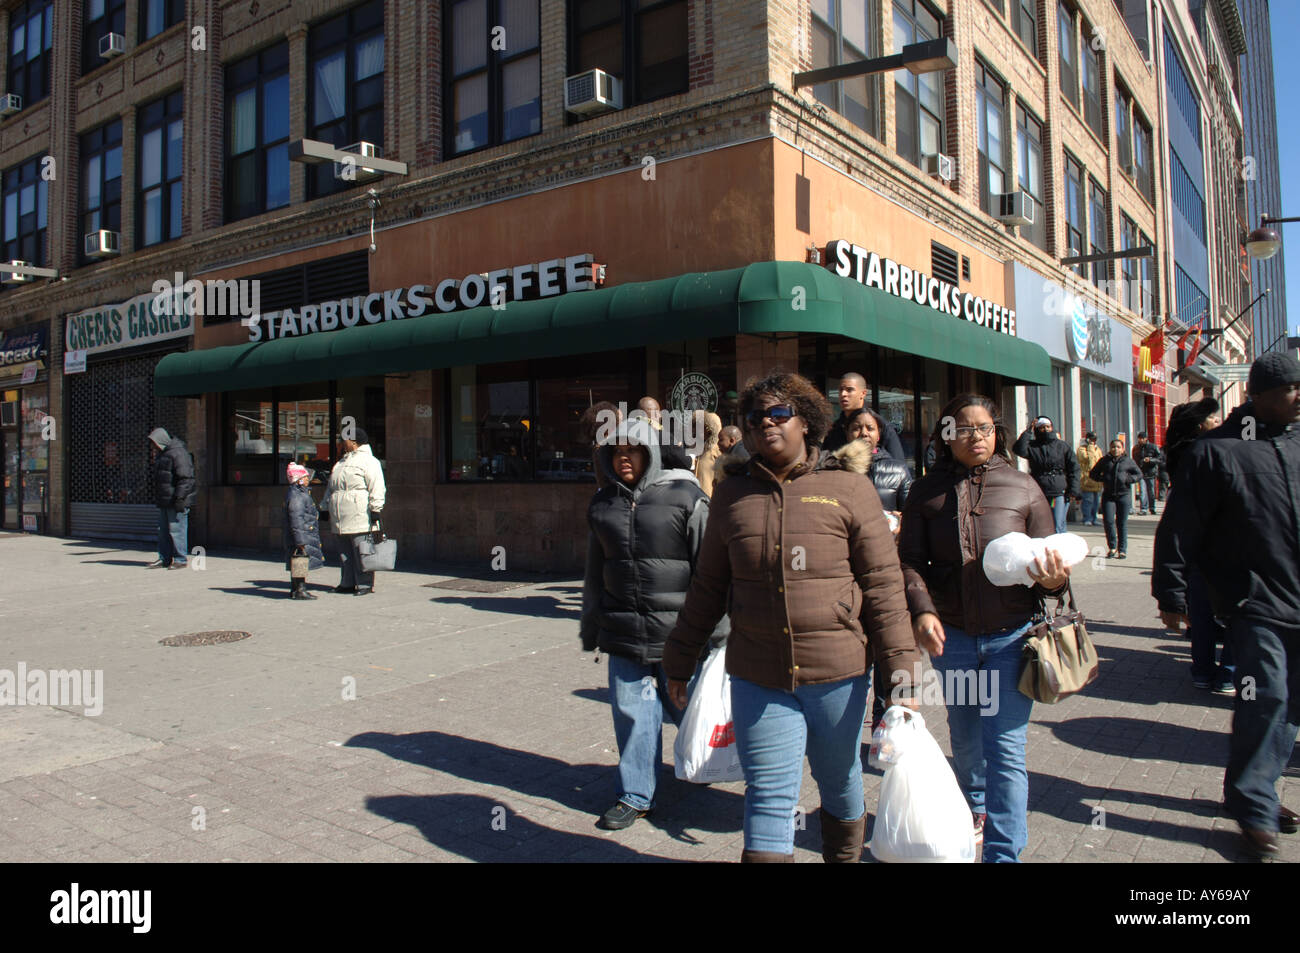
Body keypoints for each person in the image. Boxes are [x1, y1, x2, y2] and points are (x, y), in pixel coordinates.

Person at [662, 371, 920, 863]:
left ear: (808, 422)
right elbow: (708, 587)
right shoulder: (733, 494)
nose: (766, 424)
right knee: (768, 792)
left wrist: (902, 669)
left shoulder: (849, 488)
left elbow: (884, 585)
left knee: (839, 780)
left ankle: (842, 855)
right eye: (756, 417)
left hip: (838, 673)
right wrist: (679, 660)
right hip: (758, 673)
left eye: (779, 413)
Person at [900, 394, 1070, 863]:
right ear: (946, 435)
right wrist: (922, 609)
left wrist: (1055, 578)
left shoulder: (1023, 487)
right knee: (966, 736)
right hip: (951, 636)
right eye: (964, 428)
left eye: (986, 427)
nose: (976, 436)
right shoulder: (925, 491)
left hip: (1011, 637)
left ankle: (1003, 852)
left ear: (997, 433)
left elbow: (1052, 564)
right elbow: (909, 560)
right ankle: (974, 808)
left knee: (1007, 751)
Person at [1154, 352, 1300, 859]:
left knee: (1291, 706)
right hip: (1251, 601)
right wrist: (1170, 593)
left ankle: (1252, 790)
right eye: (1292, 387)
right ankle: (1257, 809)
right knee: (1267, 696)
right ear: (1258, 394)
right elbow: (1179, 527)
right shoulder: (1216, 452)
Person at [580, 417, 723, 831]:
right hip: (624, 632)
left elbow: (712, 570)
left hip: (680, 635)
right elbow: (595, 569)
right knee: (632, 714)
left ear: (650, 452)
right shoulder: (602, 503)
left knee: (688, 709)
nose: (624, 458)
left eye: (633, 450)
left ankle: (707, 766)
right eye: (616, 451)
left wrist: (718, 632)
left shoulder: (686, 498)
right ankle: (636, 794)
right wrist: (592, 625)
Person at [832, 406, 912, 733]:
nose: (863, 433)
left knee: (884, 655)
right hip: (844, 575)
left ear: (879, 434)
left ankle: (882, 729)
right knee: (850, 652)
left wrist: (898, 524)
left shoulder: (899, 470)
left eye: (870, 428)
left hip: (884, 573)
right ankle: (844, 725)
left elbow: (912, 521)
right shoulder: (834, 472)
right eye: (856, 428)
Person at [1163, 398, 1231, 693]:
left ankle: (1203, 670)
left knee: (1201, 612)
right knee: (1232, 615)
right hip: (1220, 542)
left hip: (1194, 545)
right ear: (1200, 424)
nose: (1218, 422)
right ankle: (1227, 674)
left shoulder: (1180, 450)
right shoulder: (1212, 451)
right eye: (1214, 419)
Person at [320, 426, 386, 596]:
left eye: (344, 440)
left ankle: (364, 584)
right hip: (340, 516)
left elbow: (377, 486)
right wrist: (325, 506)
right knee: (344, 553)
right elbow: (331, 487)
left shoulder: (370, 461)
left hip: (359, 514)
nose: (342, 443)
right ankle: (347, 582)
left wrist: (375, 509)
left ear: (354, 442)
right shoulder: (341, 462)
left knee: (362, 551)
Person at [1013, 416, 1080, 534]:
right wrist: (1028, 430)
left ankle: (1059, 550)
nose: (1045, 429)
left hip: (1057, 492)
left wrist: (1073, 489)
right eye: (1042, 427)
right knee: (1040, 524)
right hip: (1038, 490)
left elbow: (1074, 468)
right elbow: (1019, 449)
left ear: (1052, 428)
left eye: (1048, 427)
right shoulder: (1033, 446)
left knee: (1057, 524)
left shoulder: (1062, 446)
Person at [822, 372, 906, 461]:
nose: (843, 394)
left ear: (863, 393)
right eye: (841, 390)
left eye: (849, 390)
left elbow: (899, 467)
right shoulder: (834, 429)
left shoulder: (881, 426)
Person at [146, 427, 195, 570]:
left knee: (176, 529)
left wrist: (179, 497)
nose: (153, 446)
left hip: (176, 500)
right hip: (165, 500)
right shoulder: (163, 454)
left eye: (154, 443)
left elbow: (186, 478)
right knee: (163, 530)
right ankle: (164, 558)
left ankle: (180, 559)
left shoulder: (178, 453)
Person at [1089, 439, 1142, 559]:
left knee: (1121, 523)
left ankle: (1122, 550)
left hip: (1124, 495)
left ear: (1123, 449)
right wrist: (1103, 479)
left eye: (1118, 447)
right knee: (1108, 521)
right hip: (1108, 496)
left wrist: (1129, 479)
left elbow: (1139, 474)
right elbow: (1093, 473)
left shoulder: (1128, 461)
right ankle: (1112, 547)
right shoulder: (1104, 461)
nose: (1115, 449)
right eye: (1113, 447)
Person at [283, 462, 325, 600]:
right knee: (299, 560)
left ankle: (295, 589)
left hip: (302, 534)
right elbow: (296, 519)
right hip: (301, 535)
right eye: (306, 477)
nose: (308, 479)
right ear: (299, 479)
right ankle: (299, 590)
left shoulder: (298, 493)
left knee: (297, 560)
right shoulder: (297, 496)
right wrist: (301, 541)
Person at [692, 411, 724, 498]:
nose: (694, 430)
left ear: (708, 430)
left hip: (709, 500)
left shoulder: (718, 452)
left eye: (697, 426)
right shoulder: (696, 449)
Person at [1076, 432, 1104, 527]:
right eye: (1091, 439)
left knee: (1096, 501)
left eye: (1094, 440)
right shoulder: (1081, 449)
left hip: (1096, 480)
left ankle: (1094, 518)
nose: (1093, 442)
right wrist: (1091, 447)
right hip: (1087, 479)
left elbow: (1100, 462)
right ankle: (1087, 518)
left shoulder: (1098, 449)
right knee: (1088, 500)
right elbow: (1088, 460)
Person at [1133, 432, 1163, 515]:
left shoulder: (1153, 447)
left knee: (1151, 492)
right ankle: (1143, 509)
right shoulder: (1136, 448)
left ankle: (1152, 508)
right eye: (1139, 439)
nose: (1140, 440)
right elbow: (1135, 460)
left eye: (1142, 439)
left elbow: (1159, 458)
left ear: (1145, 439)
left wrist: (1150, 460)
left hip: (1151, 472)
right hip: (1141, 473)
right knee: (1142, 491)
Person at [711, 425, 749, 491]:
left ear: (732, 440)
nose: (718, 443)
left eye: (721, 440)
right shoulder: (744, 449)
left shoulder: (737, 458)